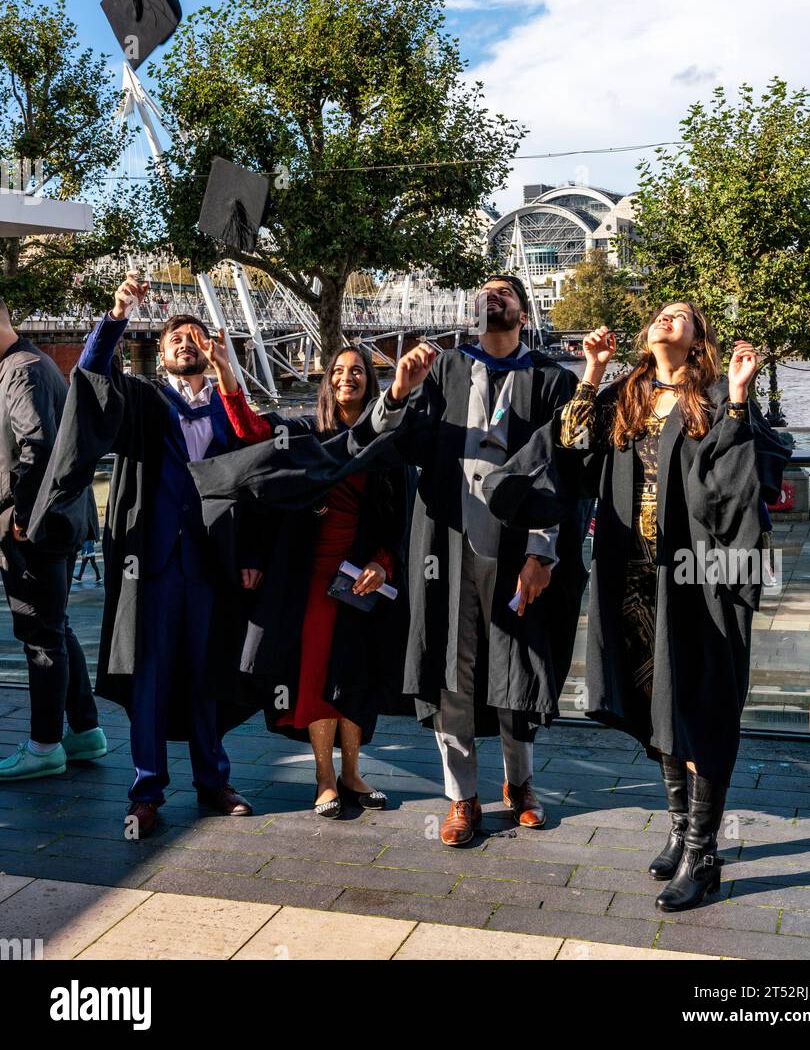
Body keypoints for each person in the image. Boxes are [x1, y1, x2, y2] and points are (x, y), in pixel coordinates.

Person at [484, 302, 790, 912]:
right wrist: (592, 372)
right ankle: (679, 830)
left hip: (700, 577)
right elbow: (569, 447)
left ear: (698, 336)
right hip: (633, 577)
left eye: (681, 316)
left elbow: (739, 482)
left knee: (701, 704)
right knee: (659, 701)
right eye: (662, 314)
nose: (666, 320)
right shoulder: (628, 396)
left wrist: (737, 396)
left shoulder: (710, 395)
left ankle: (704, 854)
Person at [348, 274, 587, 847]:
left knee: (516, 668)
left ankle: (521, 786)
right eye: (483, 293)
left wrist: (541, 553)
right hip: (447, 548)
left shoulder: (553, 379)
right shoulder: (445, 370)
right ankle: (461, 798)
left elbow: (563, 473)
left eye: (505, 293)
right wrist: (401, 390)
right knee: (452, 675)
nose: (492, 298)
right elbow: (387, 442)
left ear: (524, 315)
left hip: (515, 549)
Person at [28, 274, 259, 837]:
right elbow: (92, 379)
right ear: (161, 351)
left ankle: (214, 781)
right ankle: (147, 789)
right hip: (149, 565)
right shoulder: (141, 401)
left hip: (211, 566)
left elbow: (255, 479)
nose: (184, 341)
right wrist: (116, 316)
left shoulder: (232, 408)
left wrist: (250, 553)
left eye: (194, 335)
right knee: (149, 677)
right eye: (175, 335)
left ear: (208, 349)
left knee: (208, 673)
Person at [192, 329, 411, 818]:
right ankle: (324, 778)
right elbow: (251, 431)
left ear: (369, 384)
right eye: (337, 372)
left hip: (363, 576)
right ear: (327, 385)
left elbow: (401, 518)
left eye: (356, 371)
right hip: (310, 575)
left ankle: (353, 773)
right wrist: (226, 370)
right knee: (313, 673)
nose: (346, 377)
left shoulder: (388, 445)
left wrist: (384, 562)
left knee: (357, 674)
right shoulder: (307, 436)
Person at [0, 300, 106, 779]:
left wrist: (22, 514)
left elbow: (36, 448)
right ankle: (84, 732)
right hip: (53, 522)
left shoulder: (20, 371)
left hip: (36, 527)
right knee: (55, 626)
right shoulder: (28, 363)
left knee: (39, 634)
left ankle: (45, 746)